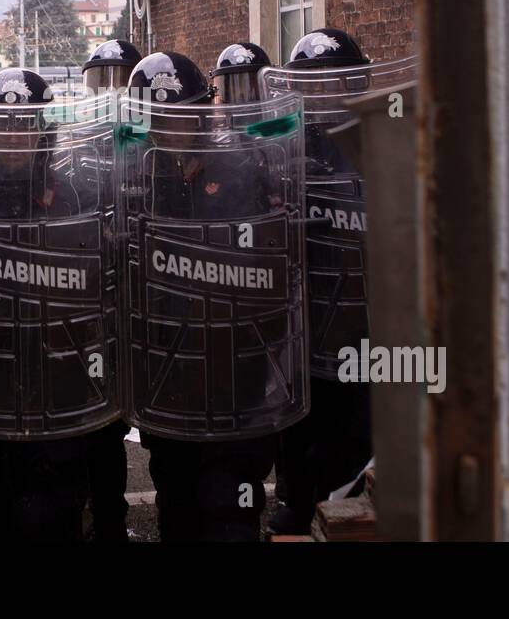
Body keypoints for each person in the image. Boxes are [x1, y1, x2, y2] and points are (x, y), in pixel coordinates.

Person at [124, 51, 299, 541]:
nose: (170, 130)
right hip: (166, 368)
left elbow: (271, 269)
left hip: (233, 363)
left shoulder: (244, 168)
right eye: (159, 119)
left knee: (228, 503)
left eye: (180, 117)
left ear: (203, 111)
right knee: (176, 500)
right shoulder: (135, 177)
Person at [0, 68, 114, 541]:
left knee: (46, 519)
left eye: (25, 126)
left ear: (44, 132)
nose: (13, 140)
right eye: (2, 126)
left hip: (56, 388)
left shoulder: (76, 196)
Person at [268, 28, 376, 535]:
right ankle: (294, 502)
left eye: (333, 82)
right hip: (302, 322)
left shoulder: (377, 147)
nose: (322, 95)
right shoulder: (282, 151)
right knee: (298, 430)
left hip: (362, 328)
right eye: (311, 85)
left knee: (352, 440)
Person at [75, 39, 143, 541]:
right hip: (88, 308)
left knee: (111, 428)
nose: (113, 92)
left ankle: (112, 522)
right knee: (88, 423)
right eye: (103, 80)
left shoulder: (155, 148)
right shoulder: (75, 157)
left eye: (122, 78)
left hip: (133, 307)